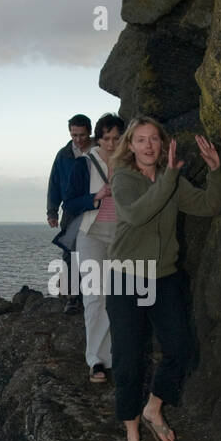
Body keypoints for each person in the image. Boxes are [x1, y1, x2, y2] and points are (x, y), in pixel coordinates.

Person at [105, 115, 221, 441]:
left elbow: (209, 206)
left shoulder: (172, 178)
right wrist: (171, 177)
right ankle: (131, 435)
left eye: (153, 139)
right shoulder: (124, 179)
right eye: (140, 140)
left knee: (182, 349)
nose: (148, 146)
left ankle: (153, 408)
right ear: (130, 146)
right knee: (128, 359)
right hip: (127, 279)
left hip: (164, 277)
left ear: (163, 144)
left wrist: (216, 171)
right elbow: (138, 214)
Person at [63, 114, 125, 383]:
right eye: (106, 138)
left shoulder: (130, 164)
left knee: (118, 296)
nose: (111, 144)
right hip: (92, 235)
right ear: (97, 138)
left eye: (116, 138)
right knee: (93, 296)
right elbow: (70, 203)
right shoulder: (84, 164)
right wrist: (95, 197)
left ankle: (114, 355)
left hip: (122, 237)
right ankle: (96, 361)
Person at [47, 115, 92, 313]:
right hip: (71, 210)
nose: (78, 139)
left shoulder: (100, 151)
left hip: (96, 207)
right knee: (69, 253)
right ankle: (73, 297)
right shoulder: (63, 155)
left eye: (82, 135)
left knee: (97, 251)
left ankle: (98, 294)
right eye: (74, 135)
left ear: (89, 132)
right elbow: (54, 183)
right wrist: (52, 211)